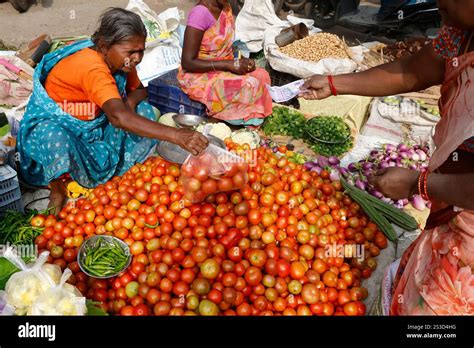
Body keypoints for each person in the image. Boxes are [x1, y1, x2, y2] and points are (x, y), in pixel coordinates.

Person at [300, 0, 474, 315]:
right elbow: (412, 70)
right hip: (451, 209)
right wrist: (335, 83)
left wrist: (418, 183)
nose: (437, 2)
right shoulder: (462, 33)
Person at [17, 8, 208, 213]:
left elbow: (140, 92)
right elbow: (118, 118)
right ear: (104, 46)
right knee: (53, 136)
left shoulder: (122, 60)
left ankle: (116, 167)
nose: (137, 58)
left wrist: (129, 104)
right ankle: (57, 189)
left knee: (143, 111)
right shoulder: (92, 68)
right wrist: (178, 135)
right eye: (131, 52)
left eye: (141, 50)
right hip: (64, 128)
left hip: (96, 123)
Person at [177, 0, 273, 126]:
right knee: (249, 84)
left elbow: (224, 47)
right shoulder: (200, 13)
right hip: (199, 73)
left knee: (262, 75)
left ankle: (249, 120)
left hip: (223, 66)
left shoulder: (226, 7)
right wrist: (228, 65)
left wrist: (242, 60)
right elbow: (188, 62)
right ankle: (233, 122)